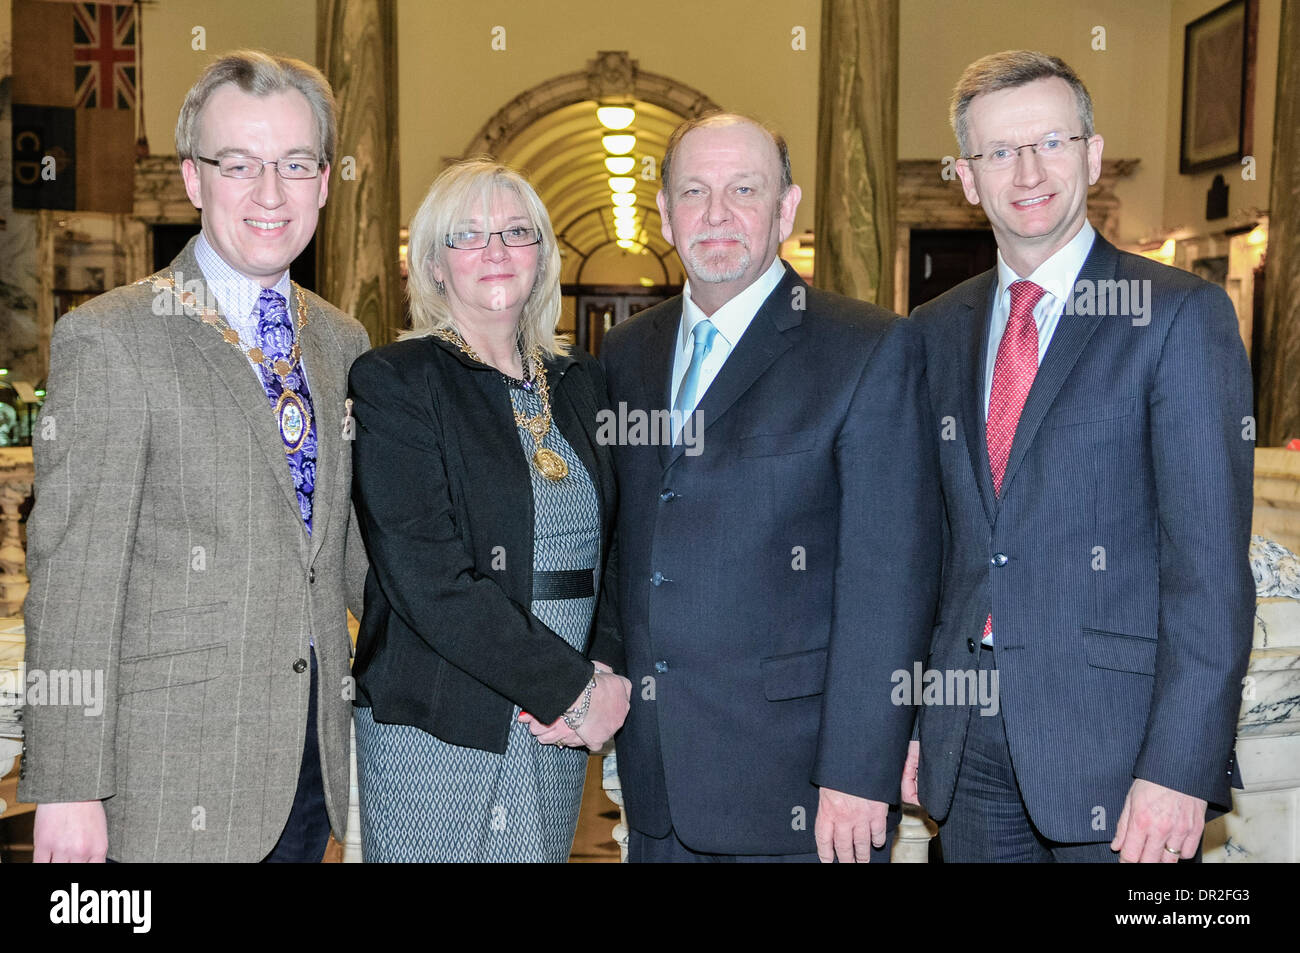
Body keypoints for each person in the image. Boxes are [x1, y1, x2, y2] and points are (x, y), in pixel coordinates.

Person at [903, 50, 1254, 862]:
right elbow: (927, 549)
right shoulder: (932, 330)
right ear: (965, 177)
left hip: (1124, 751)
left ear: (1091, 156)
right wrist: (915, 723)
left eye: (1052, 143)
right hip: (968, 744)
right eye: (999, 152)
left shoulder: (1178, 318)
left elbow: (1209, 573)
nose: (1028, 171)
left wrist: (1180, 768)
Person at [20, 51, 370, 862]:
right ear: (192, 179)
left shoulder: (342, 341)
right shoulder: (113, 339)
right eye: (238, 165)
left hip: (312, 766)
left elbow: (349, 556)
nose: (270, 193)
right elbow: (73, 583)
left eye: (294, 164)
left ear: (324, 181)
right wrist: (69, 786)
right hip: (168, 778)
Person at [600, 114, 941, 862]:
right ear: (664, 213)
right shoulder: (626, 352)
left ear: (786, 209)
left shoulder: (867, 348)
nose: (716, 214)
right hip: (656, 786)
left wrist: (859, 768)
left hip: (805, 793)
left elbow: (892, 578)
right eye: (694, 191)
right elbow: (623, 543)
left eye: (743, 189)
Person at [347, 159, 630, 862]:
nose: (495, 249)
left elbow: (622, 550)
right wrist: (571, 688)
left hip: (557, 723)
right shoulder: (397, 380)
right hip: (442, 715)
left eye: (514, 231)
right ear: (435, 265)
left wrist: (605, 668)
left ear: (542, 256)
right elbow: (425, 575)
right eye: (467, 235)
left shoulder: (583, 382)